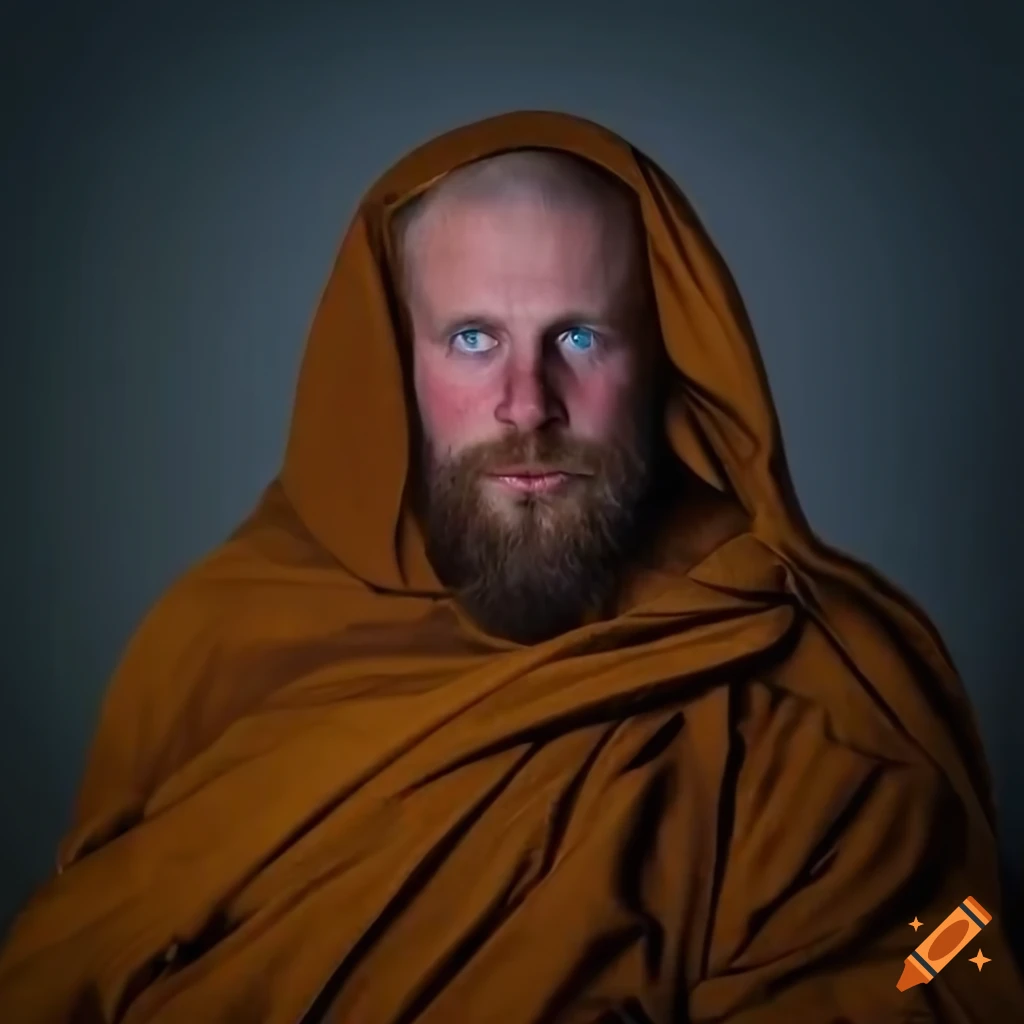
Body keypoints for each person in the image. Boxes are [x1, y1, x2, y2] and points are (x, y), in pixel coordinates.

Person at [0, 110, 1020, 1024]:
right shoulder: (216, 643)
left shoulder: (818, 681)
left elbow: (946, 950)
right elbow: (82, 958)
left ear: (663, 361)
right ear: (393, 366)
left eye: (579, 335)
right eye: (473, 337)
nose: (528, 403)